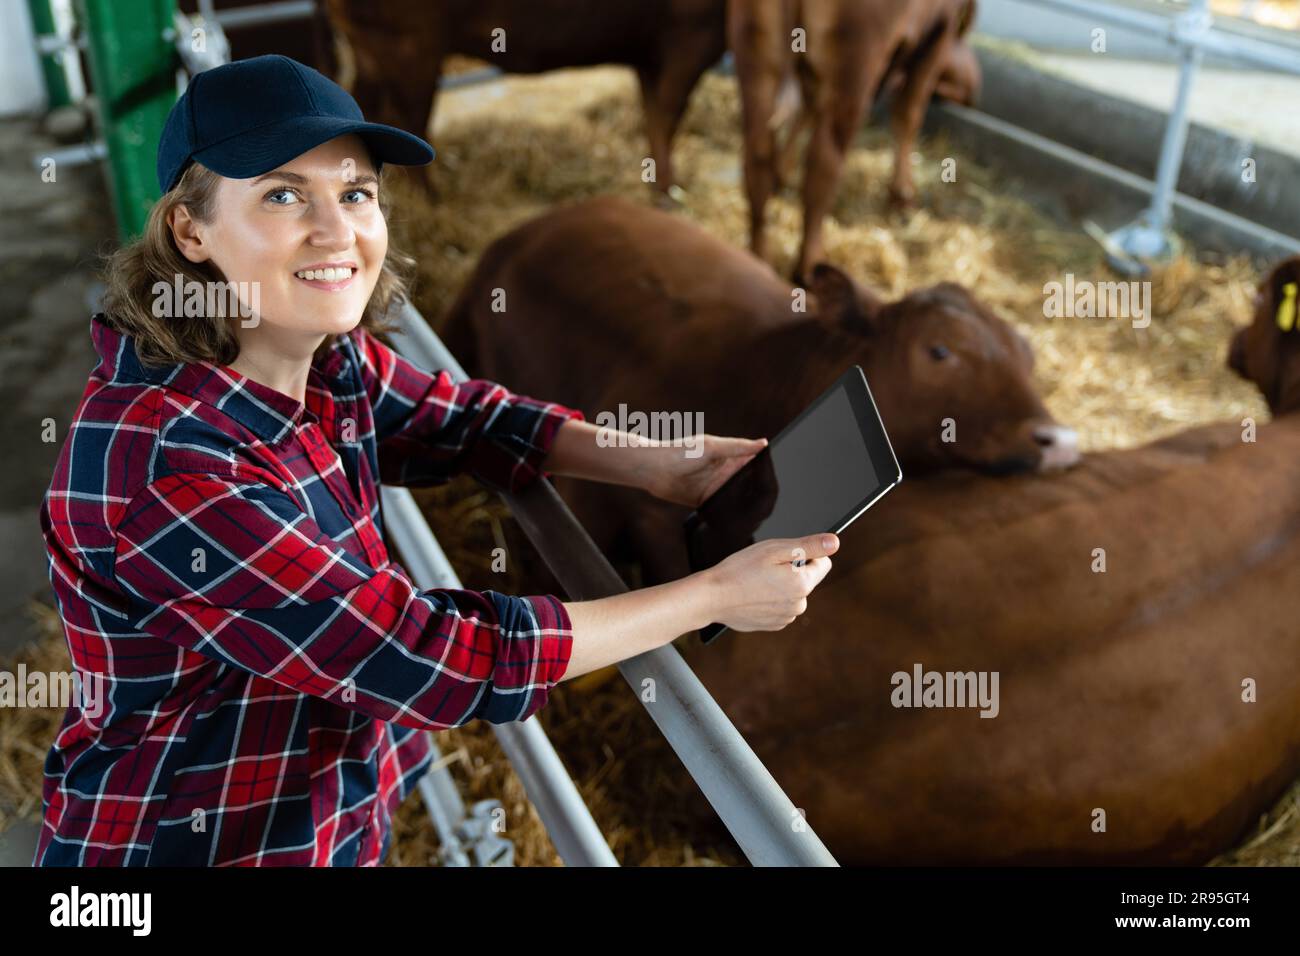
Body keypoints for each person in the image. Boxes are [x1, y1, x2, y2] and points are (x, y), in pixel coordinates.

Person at [35, 55, 838, 866]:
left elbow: (456, 417)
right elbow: (422, 655)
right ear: (190, 231)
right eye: (283, 194)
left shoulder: (315, 355)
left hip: (320, 817)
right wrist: (711, 597)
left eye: (356, 193)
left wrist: (654, 464)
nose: (336, 231)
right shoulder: (169, 469)